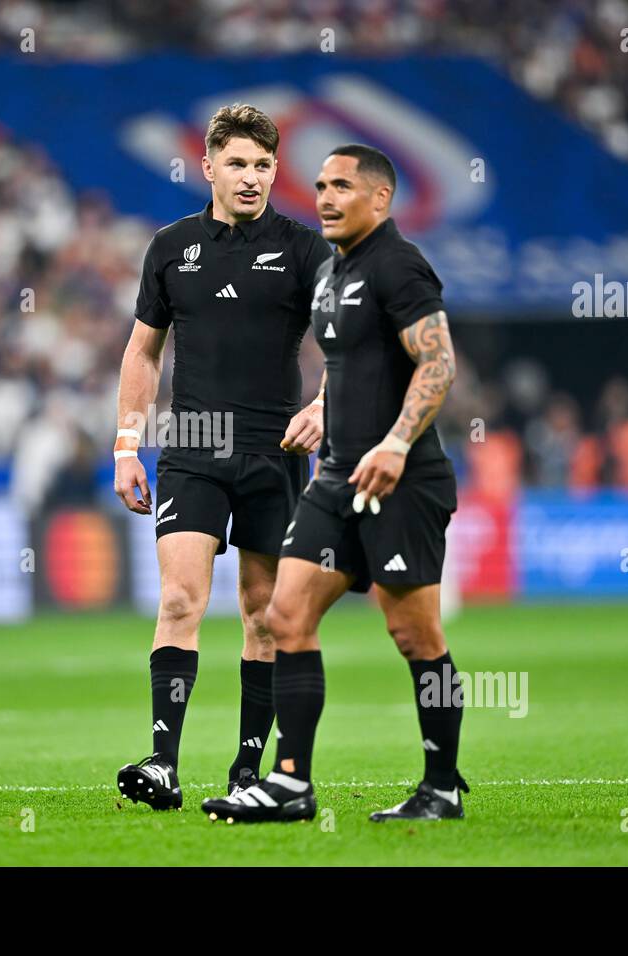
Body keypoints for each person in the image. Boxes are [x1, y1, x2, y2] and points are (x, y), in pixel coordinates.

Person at [201, 144, 467, 823]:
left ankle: (440, 786)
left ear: (380, 198)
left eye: (341, 185)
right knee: (285, 615)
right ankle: (291, 783)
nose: (323, 196)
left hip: (401, 480)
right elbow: (351, 367)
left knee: (415, 635)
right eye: (319, 184)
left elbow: (437, 363)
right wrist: (322, 409)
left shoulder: (399, 266)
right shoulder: (333, 274)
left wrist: (398, 443)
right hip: (337, 479)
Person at [113, 104, 333, 809]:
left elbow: (347, 343)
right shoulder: (171, 247)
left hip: (275, 450)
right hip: (193, 447)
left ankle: (247, 769)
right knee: (180, 597)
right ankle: (163, 763)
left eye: (264, 165)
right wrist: (127, 444)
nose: (251, 177)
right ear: (207, 166)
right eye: (237, 163)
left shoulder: (305, 250)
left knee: (264, 614)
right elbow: (142, 351)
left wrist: (325, 407)